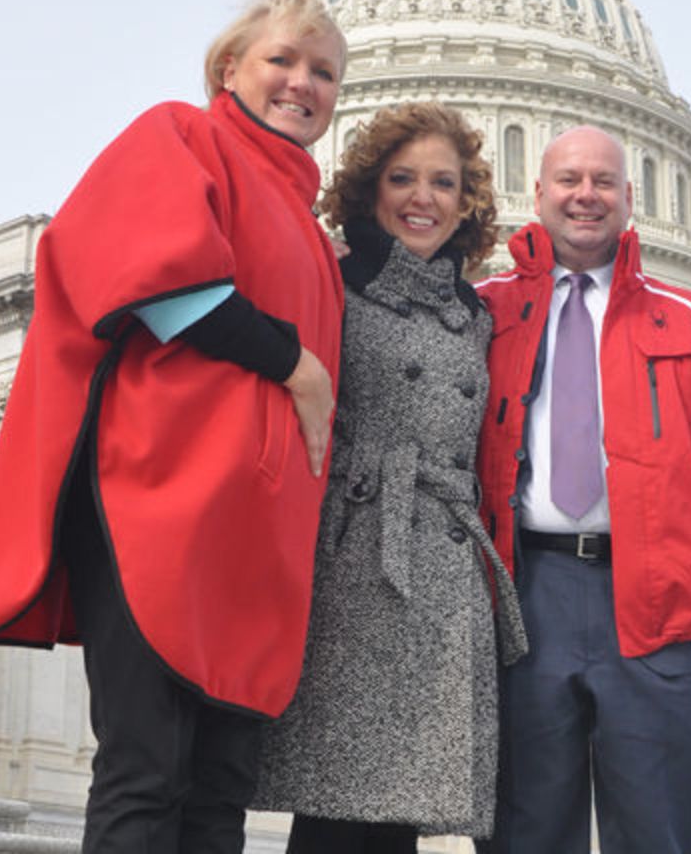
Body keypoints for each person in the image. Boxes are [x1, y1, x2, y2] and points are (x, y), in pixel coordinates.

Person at [0, 0, 348, 853]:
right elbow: (165, 288)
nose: (300, 83)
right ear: (229, 68)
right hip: (159, 504)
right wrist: (297, 364)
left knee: (218, 795)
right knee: (145, 769)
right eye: (280, 60)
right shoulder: (183, 135)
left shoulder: (312, 229)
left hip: (255, 542)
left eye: (323, 72)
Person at [473, 125, 691, 854]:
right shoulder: (484, 311)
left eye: (603, 182)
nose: (586, 196)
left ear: (630, 197)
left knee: (657, 831)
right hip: (525, 594)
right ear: (539, 192)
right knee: (524, 830)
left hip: (653, 592)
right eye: (569, 180)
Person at [252, 102, 527, 854]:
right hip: (354, 557)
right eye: (402, 178)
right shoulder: (334, 286)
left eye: (443, 182)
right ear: (369, 190)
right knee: (338, 803)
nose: (422, 198)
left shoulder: (473, 315)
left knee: (402, 811)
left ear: (466, 200)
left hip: (442, 567)